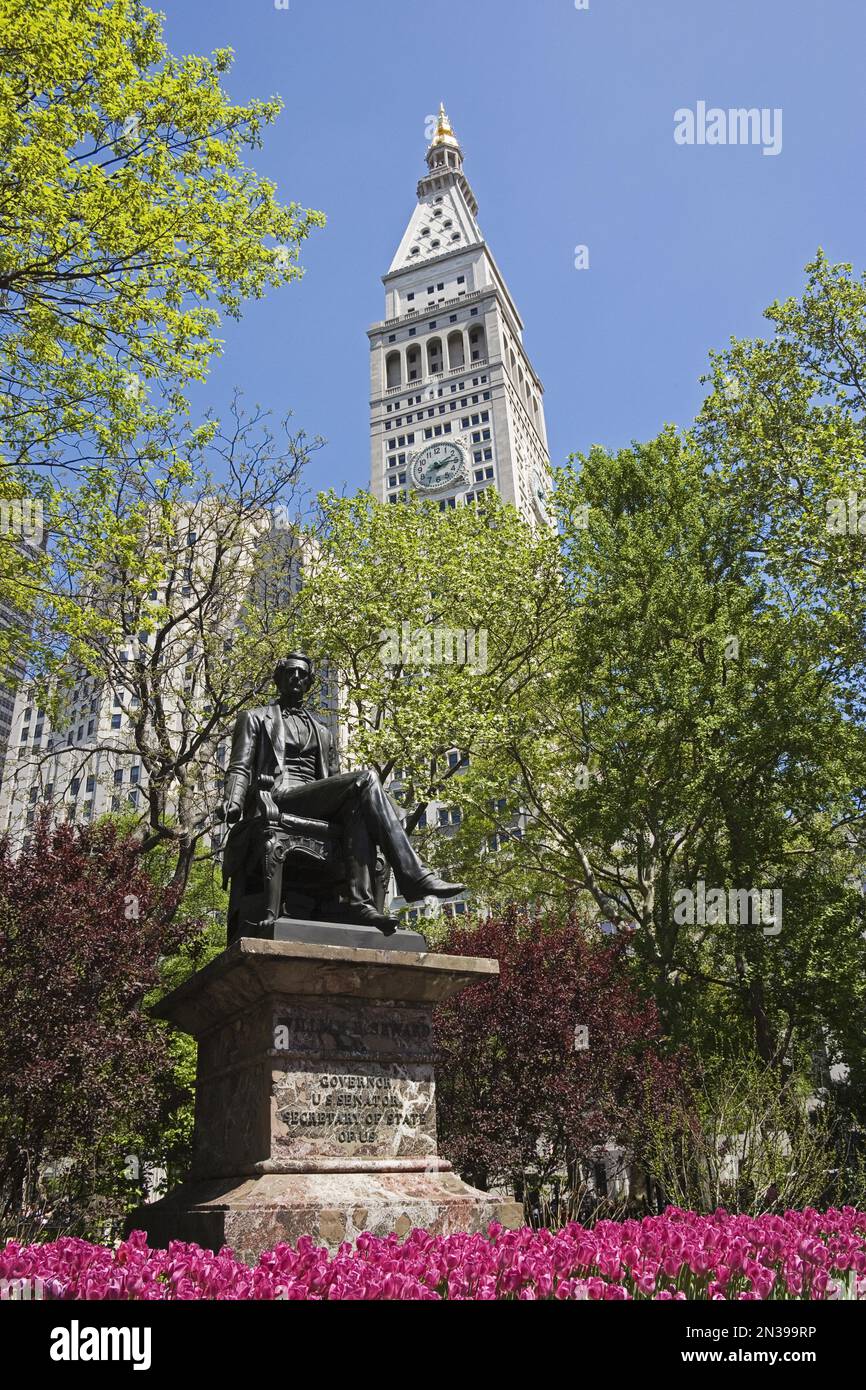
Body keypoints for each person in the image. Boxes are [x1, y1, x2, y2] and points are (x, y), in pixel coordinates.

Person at [218, 652, 465, 932]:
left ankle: (361, 904)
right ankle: (415, 875)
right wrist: (233, 801)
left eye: (302, 674)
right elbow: (239, 766)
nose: (296, 678)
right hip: (279, 794)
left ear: (309, 682)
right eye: (290, 673)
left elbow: (334, 779)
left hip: (314, 797)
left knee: (358, 809)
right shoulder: (254, 717)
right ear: (279, 678)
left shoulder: (323, 731)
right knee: (367, 778)